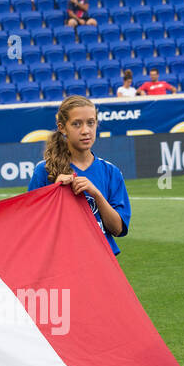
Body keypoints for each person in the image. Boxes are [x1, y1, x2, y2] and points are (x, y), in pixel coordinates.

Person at [28, 95, 131, 256]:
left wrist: (96, 194)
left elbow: (117, 229)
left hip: (103, 263)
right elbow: (31, 227)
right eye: (77, 124)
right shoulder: (44, 171)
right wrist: (54, 193)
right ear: (62, 127)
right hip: (62, 263)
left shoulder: (111, 172)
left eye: (91, 123)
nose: (85, 131)